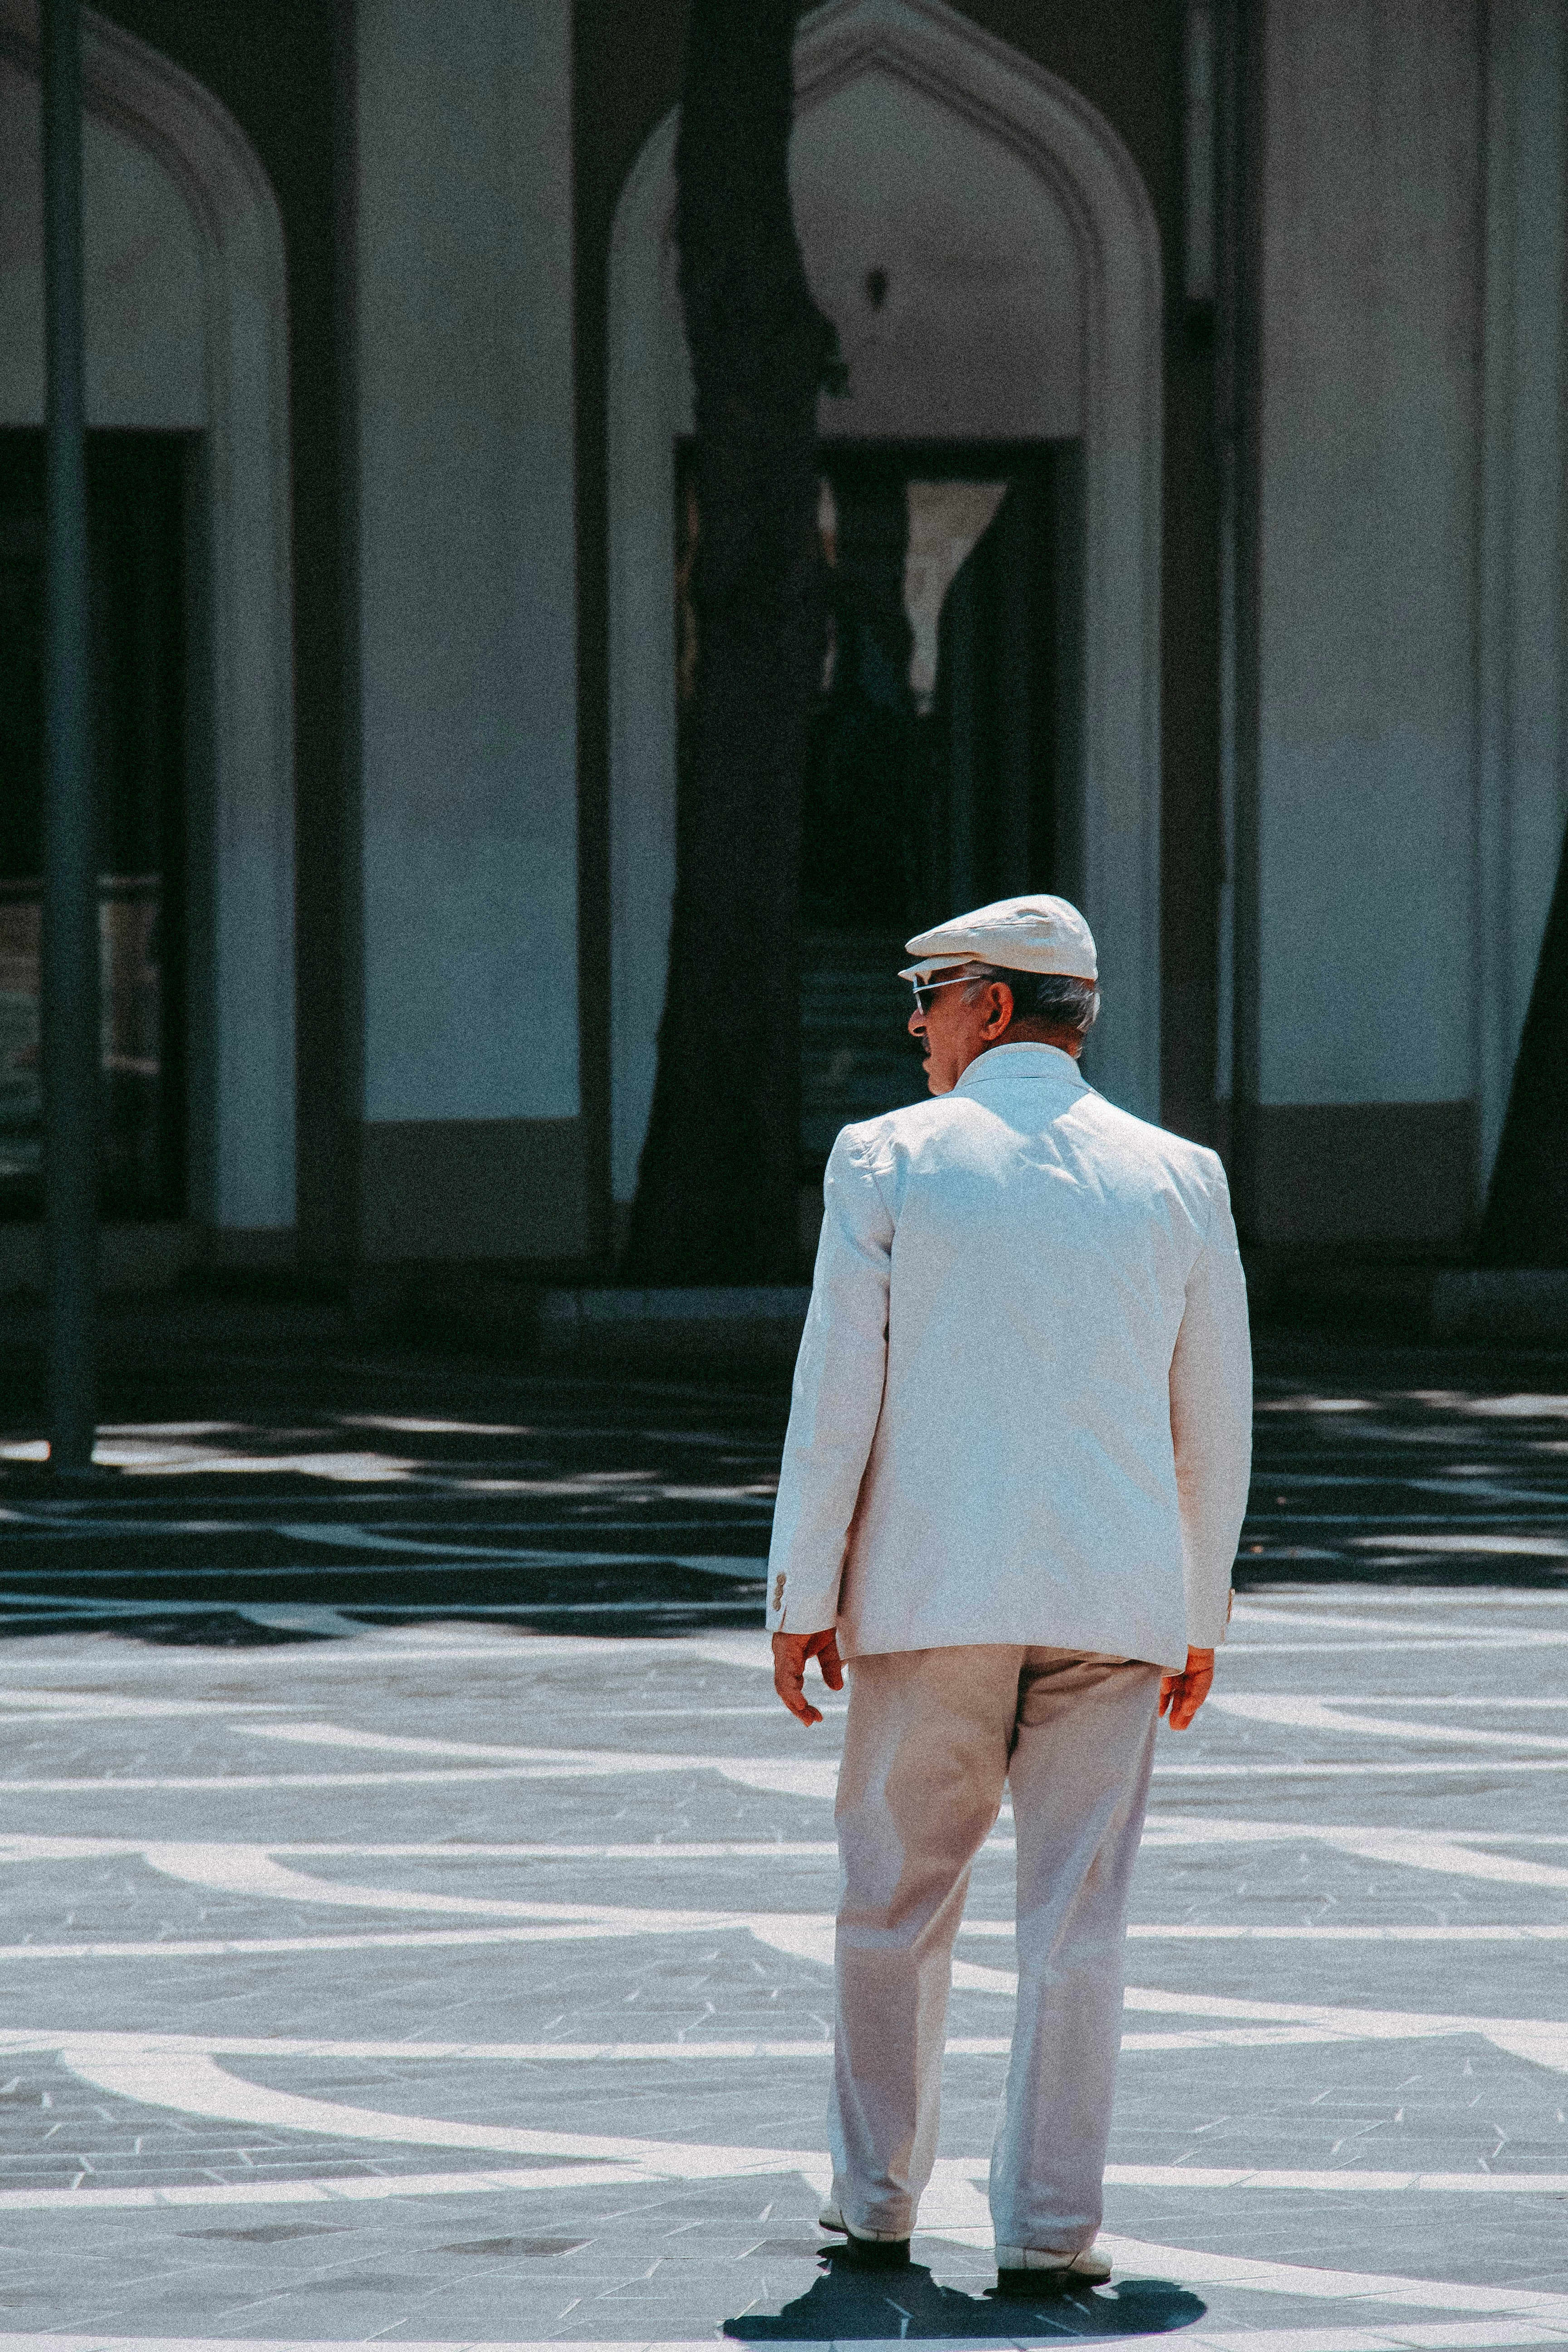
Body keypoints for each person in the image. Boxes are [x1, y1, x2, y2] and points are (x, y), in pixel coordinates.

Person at [766, 892, 1252, 2298]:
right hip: (1115, 1598)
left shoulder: (890, 1160)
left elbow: (834, 1397)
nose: (915, 1026)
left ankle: (874, 2204)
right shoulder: (1181, 1175)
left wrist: (804, 1590)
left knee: (894, 1902)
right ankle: (1049, 2228)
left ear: (986, 1004)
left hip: (930, 1597)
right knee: (1079, 1920)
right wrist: (1200, 1611)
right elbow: (1212, 1421)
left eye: (928, 998)